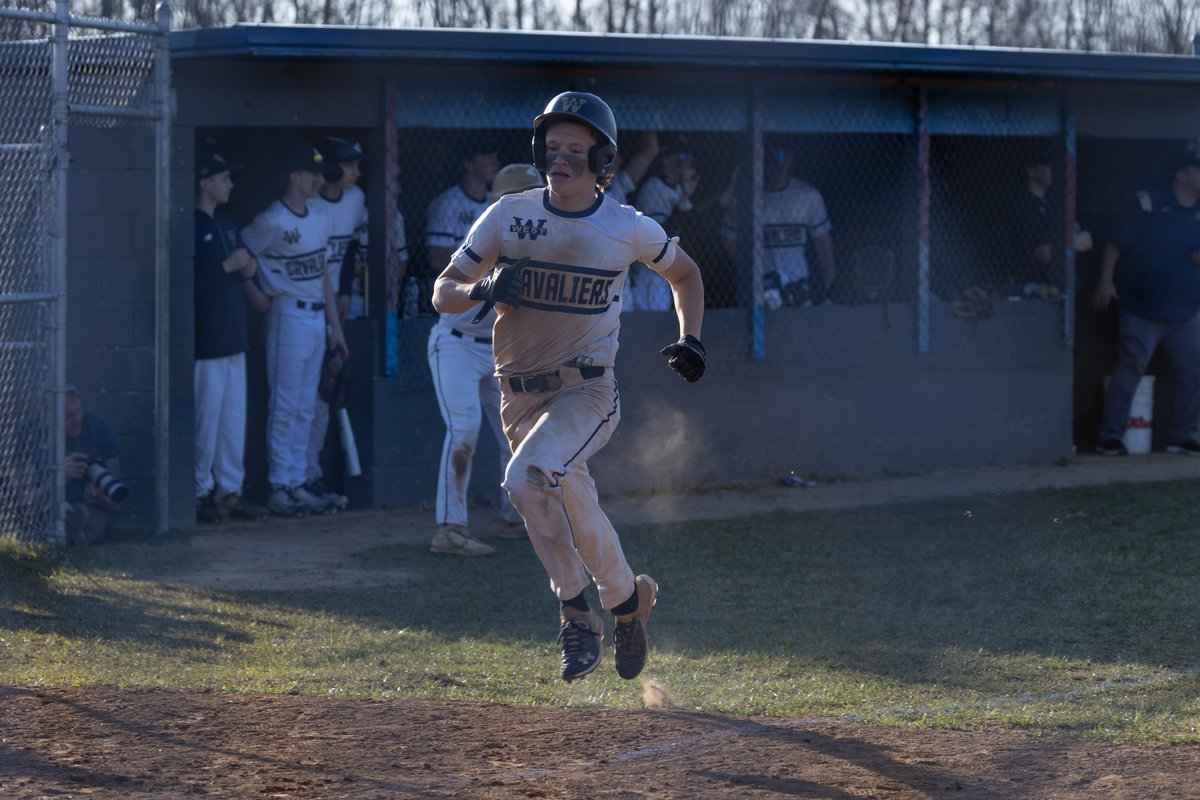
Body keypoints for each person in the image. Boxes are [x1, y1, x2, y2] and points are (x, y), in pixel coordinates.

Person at [432, 92, 707, 683]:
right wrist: (481, 291)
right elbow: (443, 290)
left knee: (524, 480)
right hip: (519, 396)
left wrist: (693, 338)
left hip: (586, 393)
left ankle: (575, 612)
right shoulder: (510, 214)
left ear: (604, 161)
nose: (559, 162)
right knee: (568, 490)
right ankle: (628, 603)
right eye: (551, 150)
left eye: (575, 154)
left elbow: (685, 272)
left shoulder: (626, 227)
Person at [241, 141, 349, 516]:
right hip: (286, 313)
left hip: (317, 317)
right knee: (286, 404)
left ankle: (298, 479)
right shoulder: (272, 221)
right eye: (313, 173)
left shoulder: (319, 217)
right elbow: (241, 255)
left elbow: (323, 277)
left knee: (306, 406)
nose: (320, 179)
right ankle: (280, 485)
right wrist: (254, 293)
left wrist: (335, 328)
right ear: (295, 176)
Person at [423, 145, 521, 557]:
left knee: (515, 436)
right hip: (457, 346)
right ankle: (450, 528)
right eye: (523, 198)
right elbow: (441, 292)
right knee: (463, 432)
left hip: (500, 350)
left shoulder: (547, 239)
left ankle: (516, 520)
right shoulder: (483, 233)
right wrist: (481, 286)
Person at [1093, 147, 1200, 456]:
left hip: (1186, 310)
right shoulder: (1148, 202)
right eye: (1197, 169)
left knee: (1194, 371)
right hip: (1142, 307)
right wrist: (1105, 280)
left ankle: (1181, 437)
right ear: (1180, 175)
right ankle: (1109, 438)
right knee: (1130, 369)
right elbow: (1115, 243)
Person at [193, 150, 270, 524]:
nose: (230, 185)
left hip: (234, 339)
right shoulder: (190, 224)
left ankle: (229, 491)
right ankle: (199, 492)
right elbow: (189, 286)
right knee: (206, 422)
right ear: (204, 183)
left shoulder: (225, 222)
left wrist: (245, 272)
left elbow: (238, 277)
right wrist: (227, 266)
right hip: (206, 345)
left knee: (232, 421)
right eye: (223, 179)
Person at [303, 135, 369, 512]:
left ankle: (311, 474)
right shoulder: (309, 205)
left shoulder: (356, 199)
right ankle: (301, 475)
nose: (355, 172)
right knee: (303, 400)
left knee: (324, 395)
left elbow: (349, 252)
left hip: (334, 307)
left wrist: (345, 291)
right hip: (307, 302)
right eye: (348, 164)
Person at [722, 142, 836, 308]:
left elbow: (823, 244)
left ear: (790, 160)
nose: (775, 164)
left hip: (799, 289)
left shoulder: (808, 195)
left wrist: (827, 288)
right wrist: (751, 271)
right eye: (768, 159)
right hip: (761, 290)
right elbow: (729, 240)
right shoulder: (744, 199)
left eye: (780, 157)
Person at [626, 136, 698, 311]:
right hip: (647, 275)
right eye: (680, 156)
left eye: (688, 156)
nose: (686, 160)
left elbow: (691, 232)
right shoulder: (653, 187)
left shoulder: (680, 188)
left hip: (666, 273)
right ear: (666, 159)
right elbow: (659, 238)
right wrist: (682, 202)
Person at [1015, 153, 1092, 289]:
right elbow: (1043, 254)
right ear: (1031, 171)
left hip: (1061, 282)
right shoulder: (1023, 205)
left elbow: (1087, 241)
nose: (1054, 171)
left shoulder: (1054, 203)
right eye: (1048, 166)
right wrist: (1072, 241)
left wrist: (1059, 246)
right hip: (1034, 283)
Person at [64, 387, 123, 545]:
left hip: (88, 508)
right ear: (50, 416)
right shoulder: (32, 435)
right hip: (50, 505)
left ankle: (71, 538)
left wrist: (100, 499)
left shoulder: (99, 429)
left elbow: (116, 504)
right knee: (76, 514)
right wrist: (60, 477)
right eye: (69, 416)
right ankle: (68, 535)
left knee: (96, 519)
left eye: (79, 411)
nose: (77, 419)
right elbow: (25, 500)